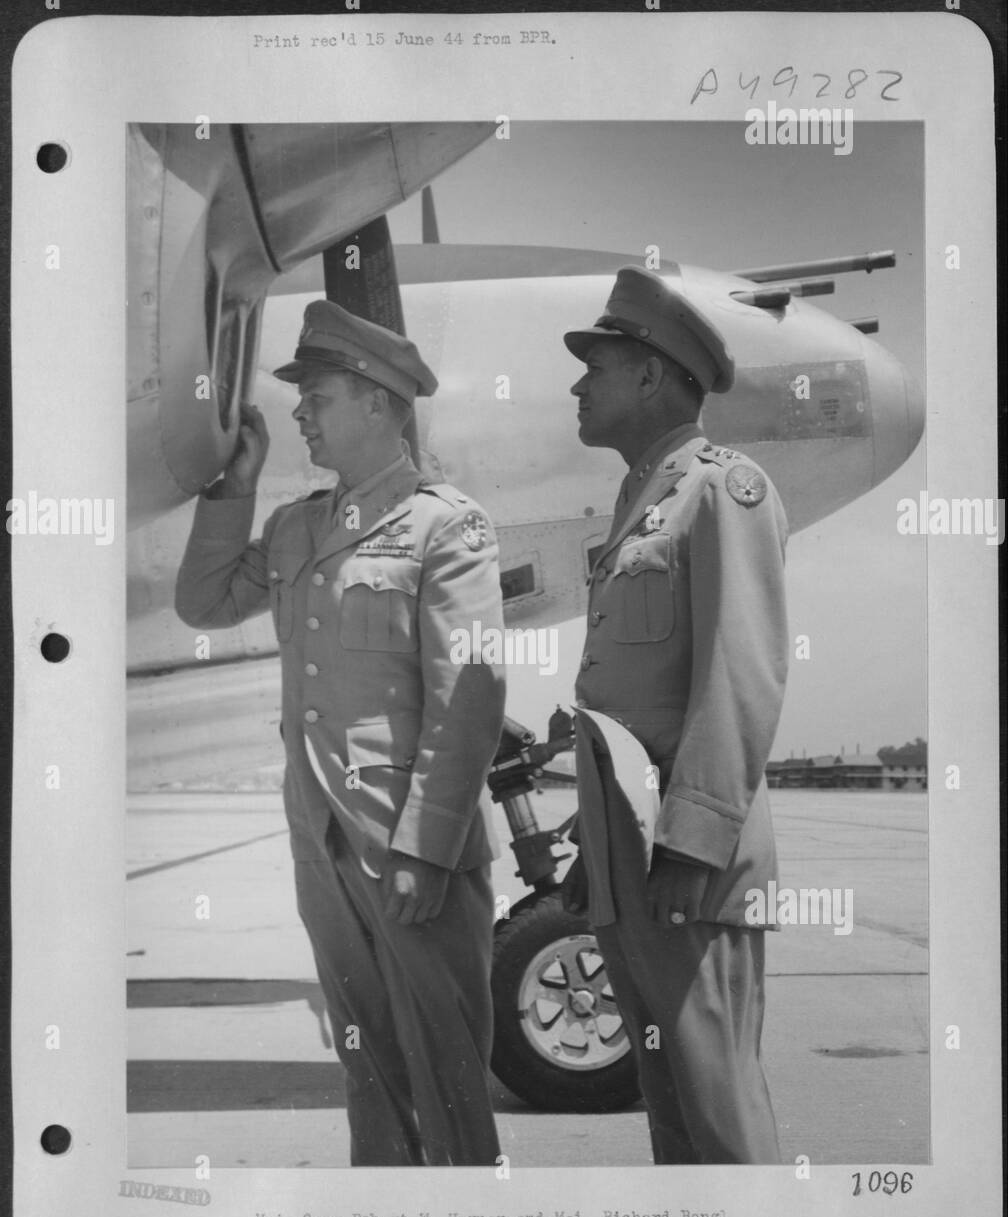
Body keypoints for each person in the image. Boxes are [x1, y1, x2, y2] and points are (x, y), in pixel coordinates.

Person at [175, 300, 506, 1166]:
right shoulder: (295, 527)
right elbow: (203, 603)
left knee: (448, 1072)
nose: (297, 416)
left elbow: (467, 693)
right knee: (370, 1070)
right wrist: (236, 487)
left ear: (373, 401)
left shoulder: (448, 526)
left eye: (314, 397)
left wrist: (427, 849)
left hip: (408, 847)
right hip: (322, 845)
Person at [560, 266, 788, 1164]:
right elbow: (629, 705)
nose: (580, 384)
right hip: (634, 866)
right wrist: (596, 850)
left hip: (691, 866)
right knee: (673, 1120)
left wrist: (690, 845)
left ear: (652, 376)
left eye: (598, 367)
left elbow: (743, 673)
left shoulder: (723, 491)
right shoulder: (639, 500)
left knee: (720, 1113)